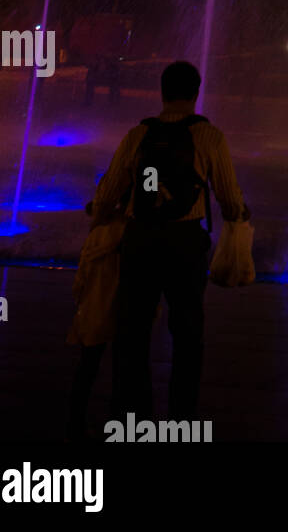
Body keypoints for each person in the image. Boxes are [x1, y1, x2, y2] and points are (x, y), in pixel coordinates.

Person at [92, 60, 249, 422]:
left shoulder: (138, 135)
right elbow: (228, 197)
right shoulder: (209, 137)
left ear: (162, 93)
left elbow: (108, 192)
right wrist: (239, 214)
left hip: (141, 238)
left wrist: (100, 216)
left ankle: (133, 414)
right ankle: (182, 414)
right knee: (188, 328)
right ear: (196, 93)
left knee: (132, 329)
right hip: (184, 241)